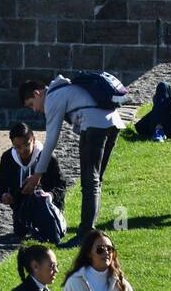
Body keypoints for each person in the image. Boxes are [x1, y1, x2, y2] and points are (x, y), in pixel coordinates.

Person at [19, 75, 125, 243]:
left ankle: (85, 234)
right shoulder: (64, 88)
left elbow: (51, 140)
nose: (35, 109)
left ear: (37, 93)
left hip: (94, 125)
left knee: (90, 182)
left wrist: (37, 175)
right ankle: (89, 230)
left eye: (31, 104)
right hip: (113, 123)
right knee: (95, 181)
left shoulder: (52, 98)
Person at [0, 121, 67, 241]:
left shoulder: (47, 156)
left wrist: (50, 195)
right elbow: (0, 184)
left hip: (46, 206)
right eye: (17, 147)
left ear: (33, 139)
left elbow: (61, 185)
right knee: (20, 232)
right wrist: (3, 195)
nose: (23, 150)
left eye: (26, 144)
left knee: (48, 232)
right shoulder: (8, 158)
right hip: (20, 206)